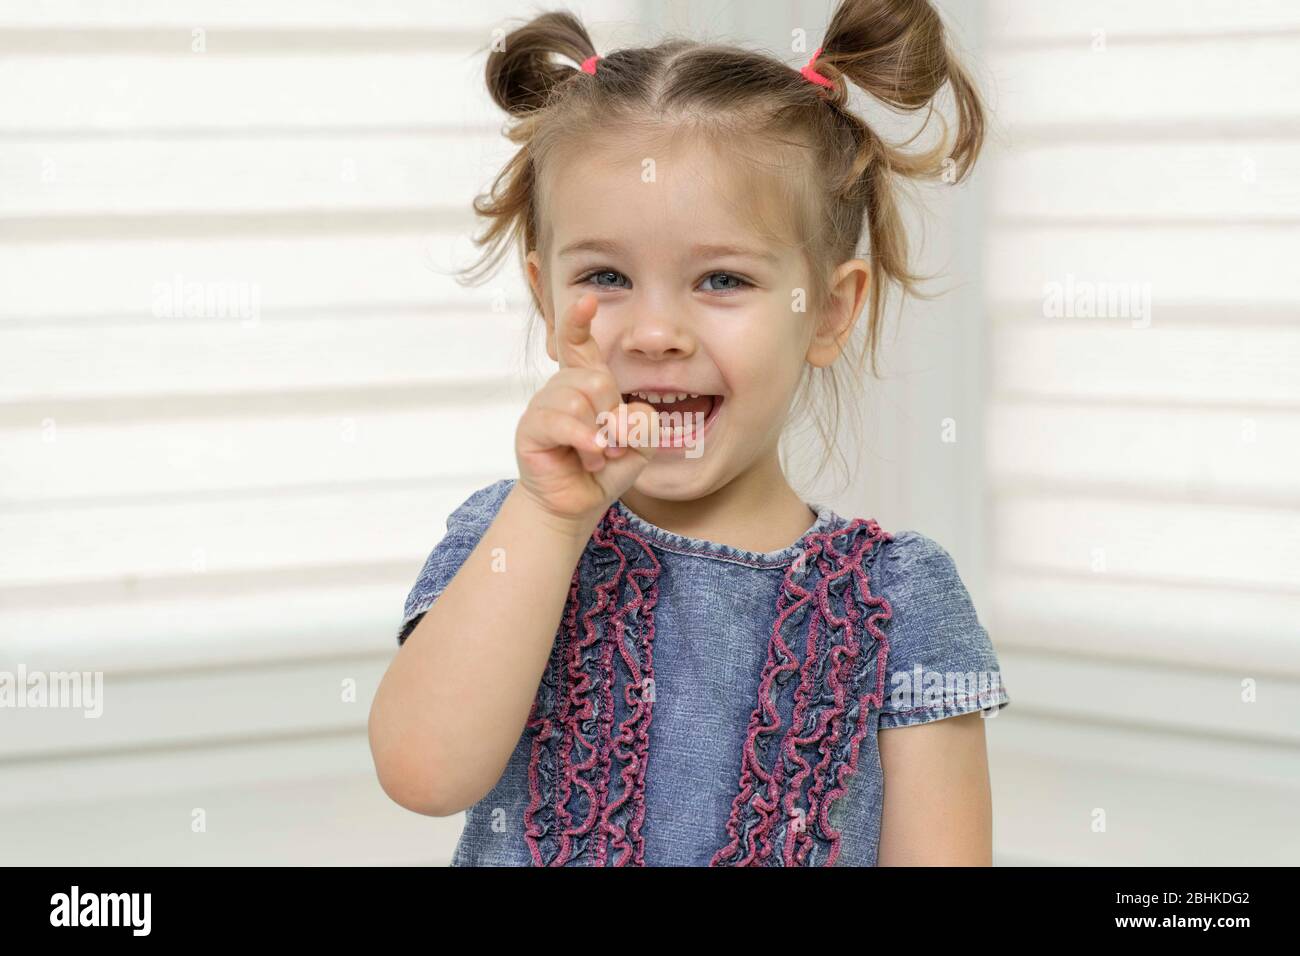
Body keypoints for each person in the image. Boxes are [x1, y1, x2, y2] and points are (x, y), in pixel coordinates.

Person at [369, 0, 1010, 866]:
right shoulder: (510, 537)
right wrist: (552, 519)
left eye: (720, 279)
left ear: (827, 310)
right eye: (606, 275)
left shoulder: (901, 600)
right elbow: (422, 773)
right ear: (546, 294)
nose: (655, 332)